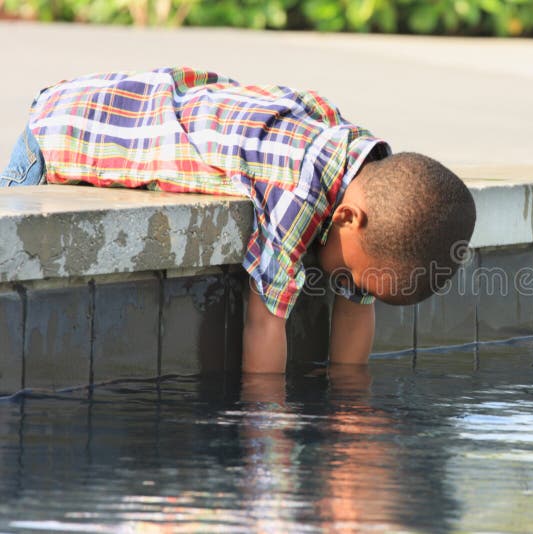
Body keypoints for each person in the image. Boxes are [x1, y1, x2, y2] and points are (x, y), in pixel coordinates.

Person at [1, 67, 476, 374]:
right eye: (352, 277)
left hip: (140, 98)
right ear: (348, 218)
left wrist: (351, 417)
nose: (350, 288)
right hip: (66, 133)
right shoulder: (295, 187)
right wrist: (269, 429)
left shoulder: (360, 172)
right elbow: (263, 324)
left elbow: (358, 304)